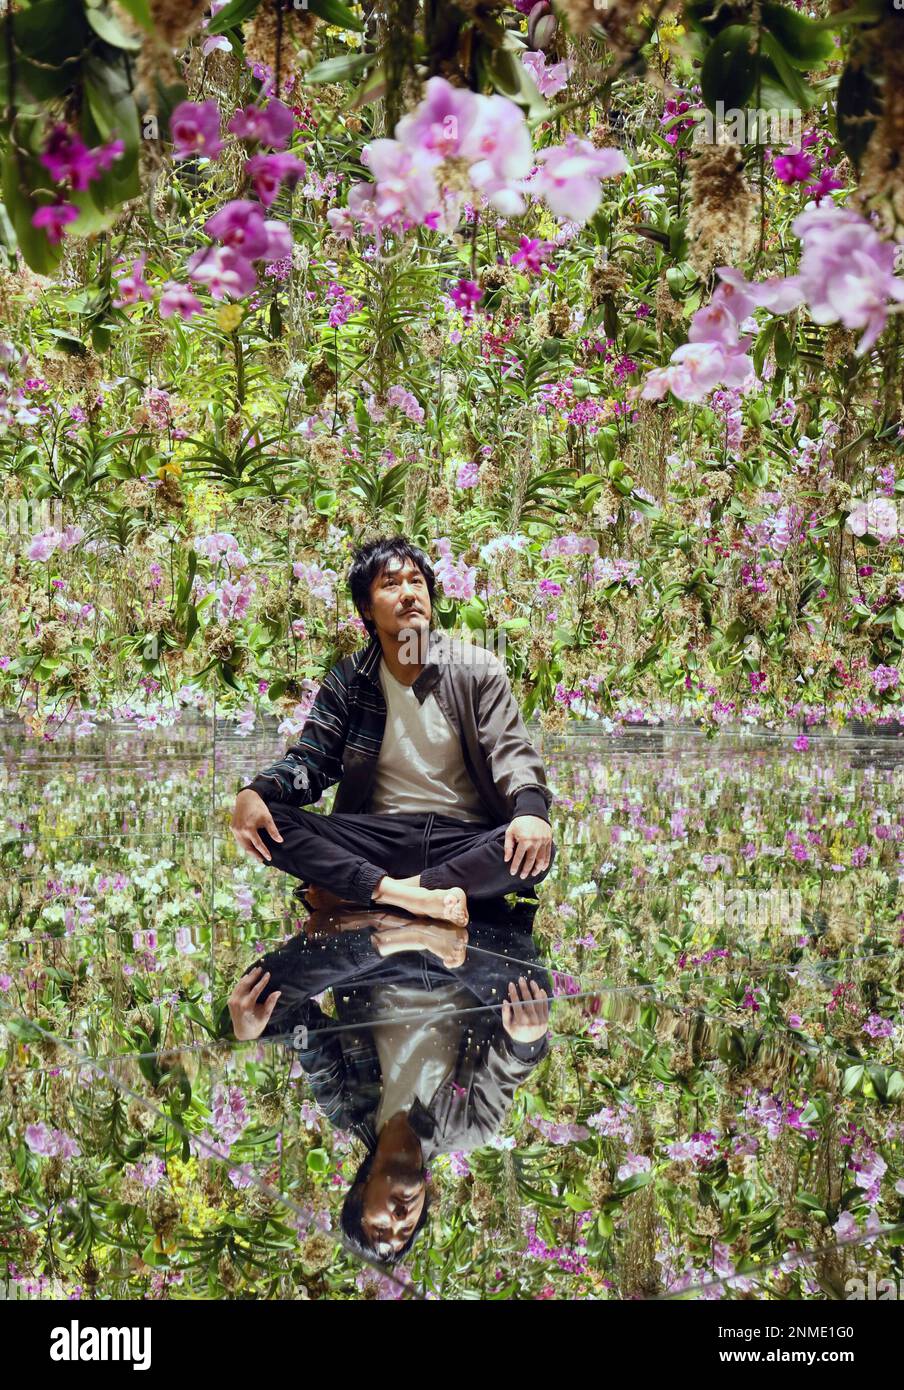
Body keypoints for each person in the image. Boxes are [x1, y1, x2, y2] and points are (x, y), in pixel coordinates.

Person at [230, 535, 556, 926]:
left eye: (416, 582)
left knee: (533, 848)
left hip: (461, 838)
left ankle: (377, 892)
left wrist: (532, 812)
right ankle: (408, 895)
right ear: (366, 608)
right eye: (391, 584)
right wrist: (256, 791)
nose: (408, 594)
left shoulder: (476, 668)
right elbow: (310, 762)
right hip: (376, 838)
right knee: (268, 823)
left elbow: (511, 748)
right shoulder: (349, 680)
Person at [221, 903, 552, 1264]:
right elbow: (509, 1067)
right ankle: (404, 917)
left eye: (381, 1229)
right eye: (406, 1230)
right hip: (463, 964)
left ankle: (387, 919)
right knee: (533, 995)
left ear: (360, 1192)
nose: (399, 1220)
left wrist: (261, 1030)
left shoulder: (347, 1107)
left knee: (249, 1009)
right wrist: (525, 1041)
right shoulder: (470, 1128)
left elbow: (309, 1038)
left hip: (380, 960)